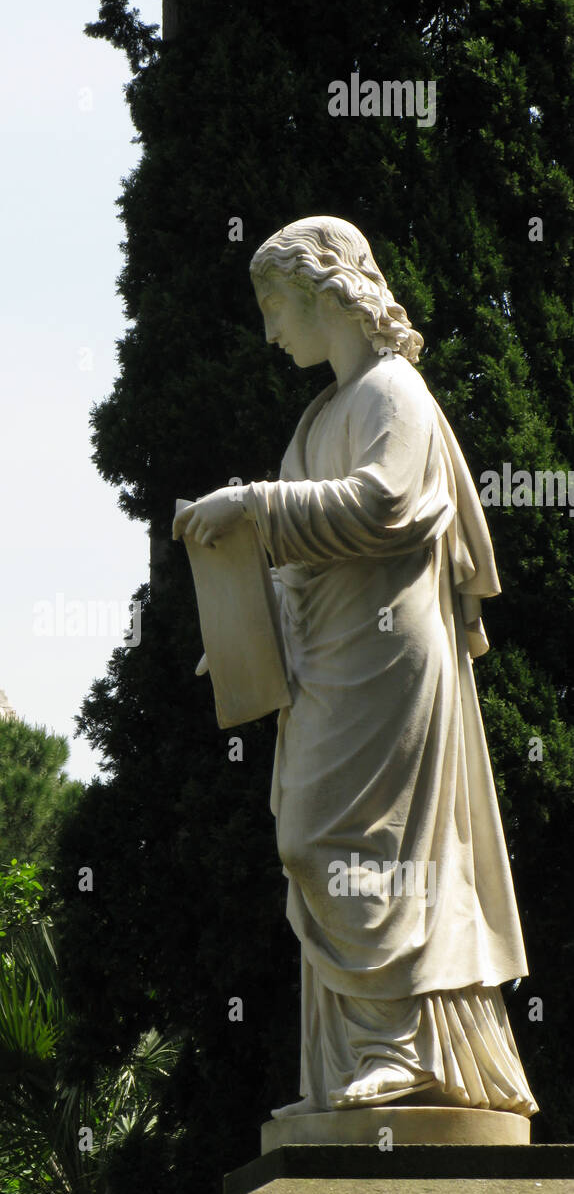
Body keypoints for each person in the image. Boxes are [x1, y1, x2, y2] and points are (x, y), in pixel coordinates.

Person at [172, 217, 537, 1118]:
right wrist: (242, 624)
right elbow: (300, 555)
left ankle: (403, 1051)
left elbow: (388, 505)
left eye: (273, 304)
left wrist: (253, 505)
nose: (268, 331)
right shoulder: (321, 414)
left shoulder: (394, 393)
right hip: (328, 653)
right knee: (315, 839)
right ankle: (355, 1062)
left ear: (323, 290)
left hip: (386, 651)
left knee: (349, 840)